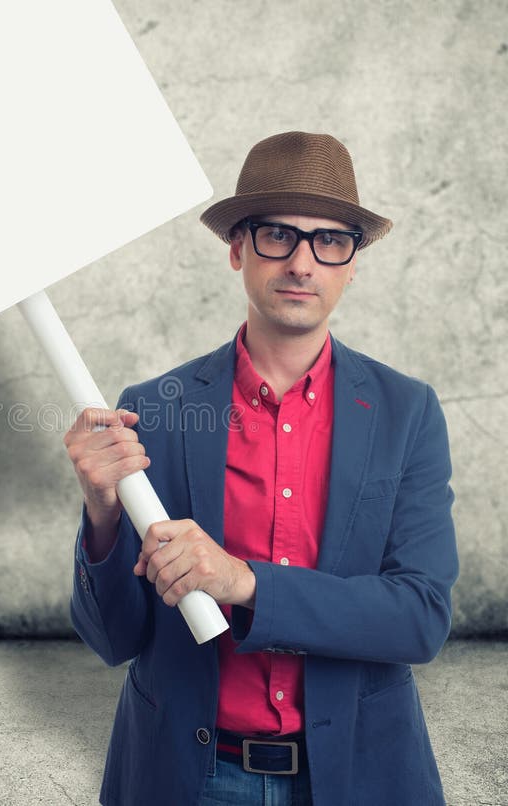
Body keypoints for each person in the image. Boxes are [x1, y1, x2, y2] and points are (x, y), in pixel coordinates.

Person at [65, 131, 458, 806]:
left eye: (330, 240)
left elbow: (420, 618)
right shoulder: (153, 412)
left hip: (360, 777)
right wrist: (103, 516)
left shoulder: (406, 412)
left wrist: (243, 583)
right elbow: (113, 640)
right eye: (279, 234)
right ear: (238, 249)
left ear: (352, 263)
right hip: (188, 778)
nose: (303, 262)